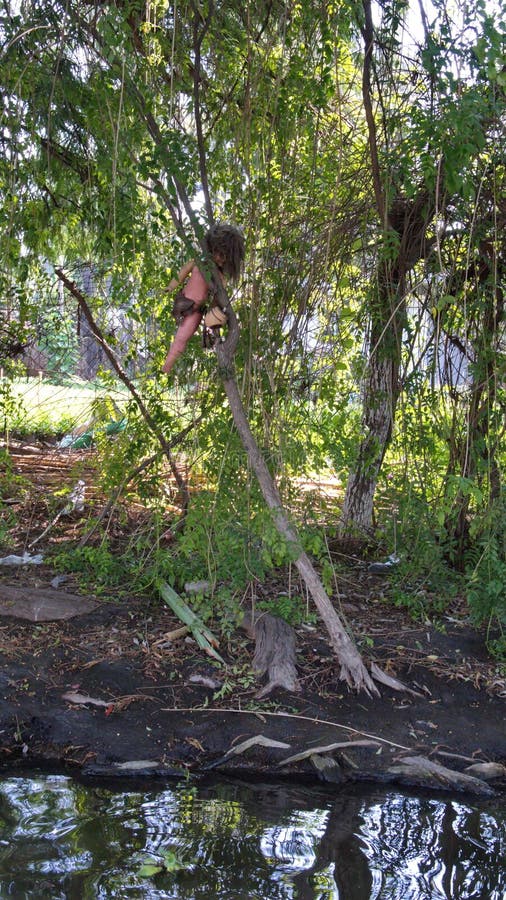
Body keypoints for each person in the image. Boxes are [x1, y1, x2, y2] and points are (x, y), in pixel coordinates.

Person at [162, 224, 245, 374]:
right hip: (184, 301)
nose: (220, 260)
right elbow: (182, 272)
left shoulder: (218, 276)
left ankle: (167, 366)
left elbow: (218, 295)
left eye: (225, 258)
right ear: (212, 249)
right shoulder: (198, 263)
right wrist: (170, 287)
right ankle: (167, 364)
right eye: (219, 255)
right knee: (180, 336)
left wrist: (214, 310)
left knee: (182, 337)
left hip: (195, 310)